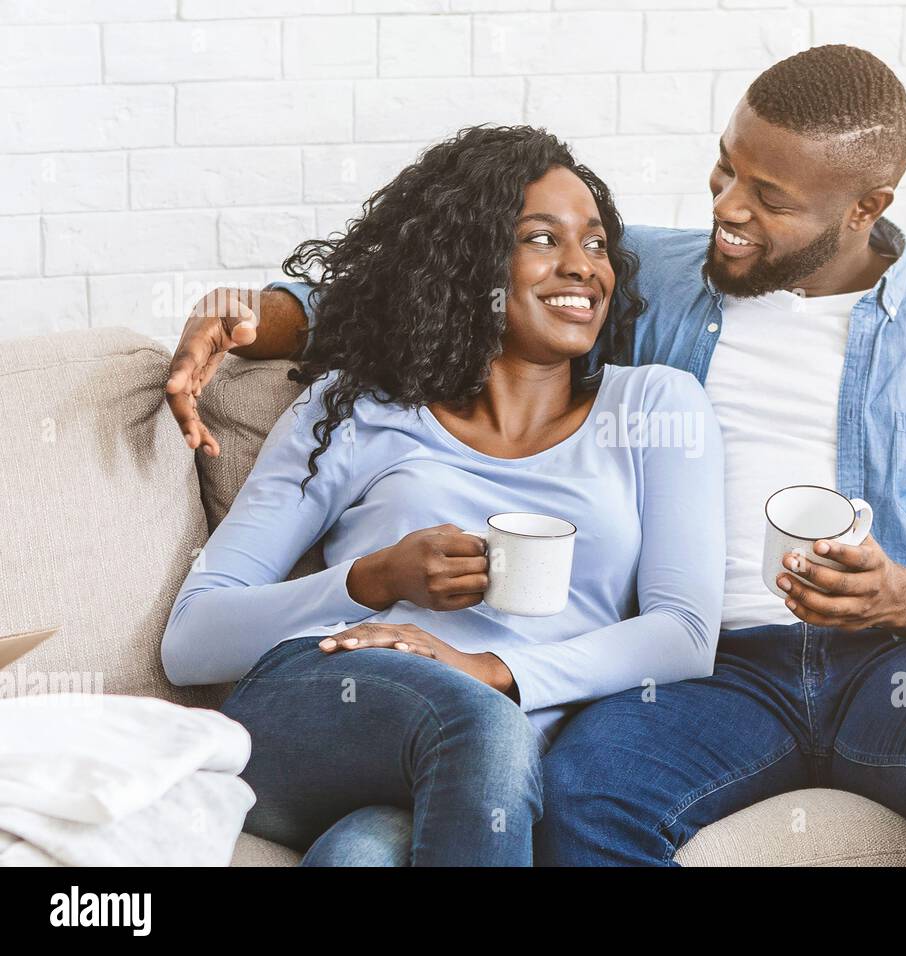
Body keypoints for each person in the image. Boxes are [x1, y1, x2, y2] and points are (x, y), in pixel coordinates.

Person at [165, 45, 906, 866]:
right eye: (725, 168)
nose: (726, 209)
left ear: (865, 208)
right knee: (583, 796)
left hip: (889, 653)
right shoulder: (659, 277)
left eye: (770, 199)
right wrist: (257, 321)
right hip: (719, 673)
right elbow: (436, 271)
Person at [160, 125, 724, 867]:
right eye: (543, 239)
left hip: (496, 748)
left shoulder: (657, 405)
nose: (583, 267)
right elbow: (191, 642)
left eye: (595, 245)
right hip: (329, 704)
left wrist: (493, 671)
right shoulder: (357, 409)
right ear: (470, 261)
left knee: (364, 854)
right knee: (482, 730)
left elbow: (684, 633)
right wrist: (373, 580)